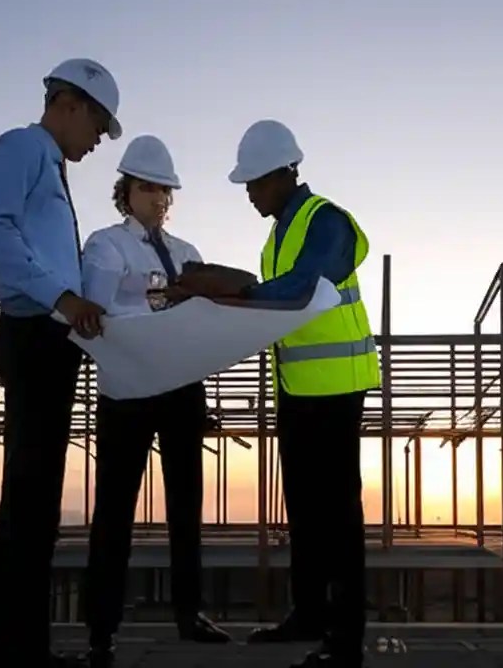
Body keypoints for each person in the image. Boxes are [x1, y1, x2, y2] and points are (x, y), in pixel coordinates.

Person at [185, 119, 380, 668]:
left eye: (253, 182)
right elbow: (276, 301)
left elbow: (306, 286)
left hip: (336, 388)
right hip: (298, 389)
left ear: (281, 174)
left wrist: (238, 292)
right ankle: (309, 615)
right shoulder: (278, 235)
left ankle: (345, 644)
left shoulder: (325, 221)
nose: (248, 193)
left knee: (337, 515)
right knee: (306, 512)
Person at [0, 57, 123, 668]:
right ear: (71, 104)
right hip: (33, 333)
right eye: (98, 125)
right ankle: (15, 653)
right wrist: (62, 298)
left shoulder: (48, 167)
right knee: (29, 501)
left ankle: (25, 648)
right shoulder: (23, 148)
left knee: (37, 503)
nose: (95, 142)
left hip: (51, 338)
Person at [78, 135, 232, 667]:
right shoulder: (104, 246)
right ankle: (102, 630)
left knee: (186, 507)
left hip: (180, 390)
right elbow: (93, 314)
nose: (159, 199)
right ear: (126, 191)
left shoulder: (188, 254)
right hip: (127, 391)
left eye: (165, 190)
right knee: (115, 511)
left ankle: (190, 615)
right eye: (148, 188)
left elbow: (201, 324)